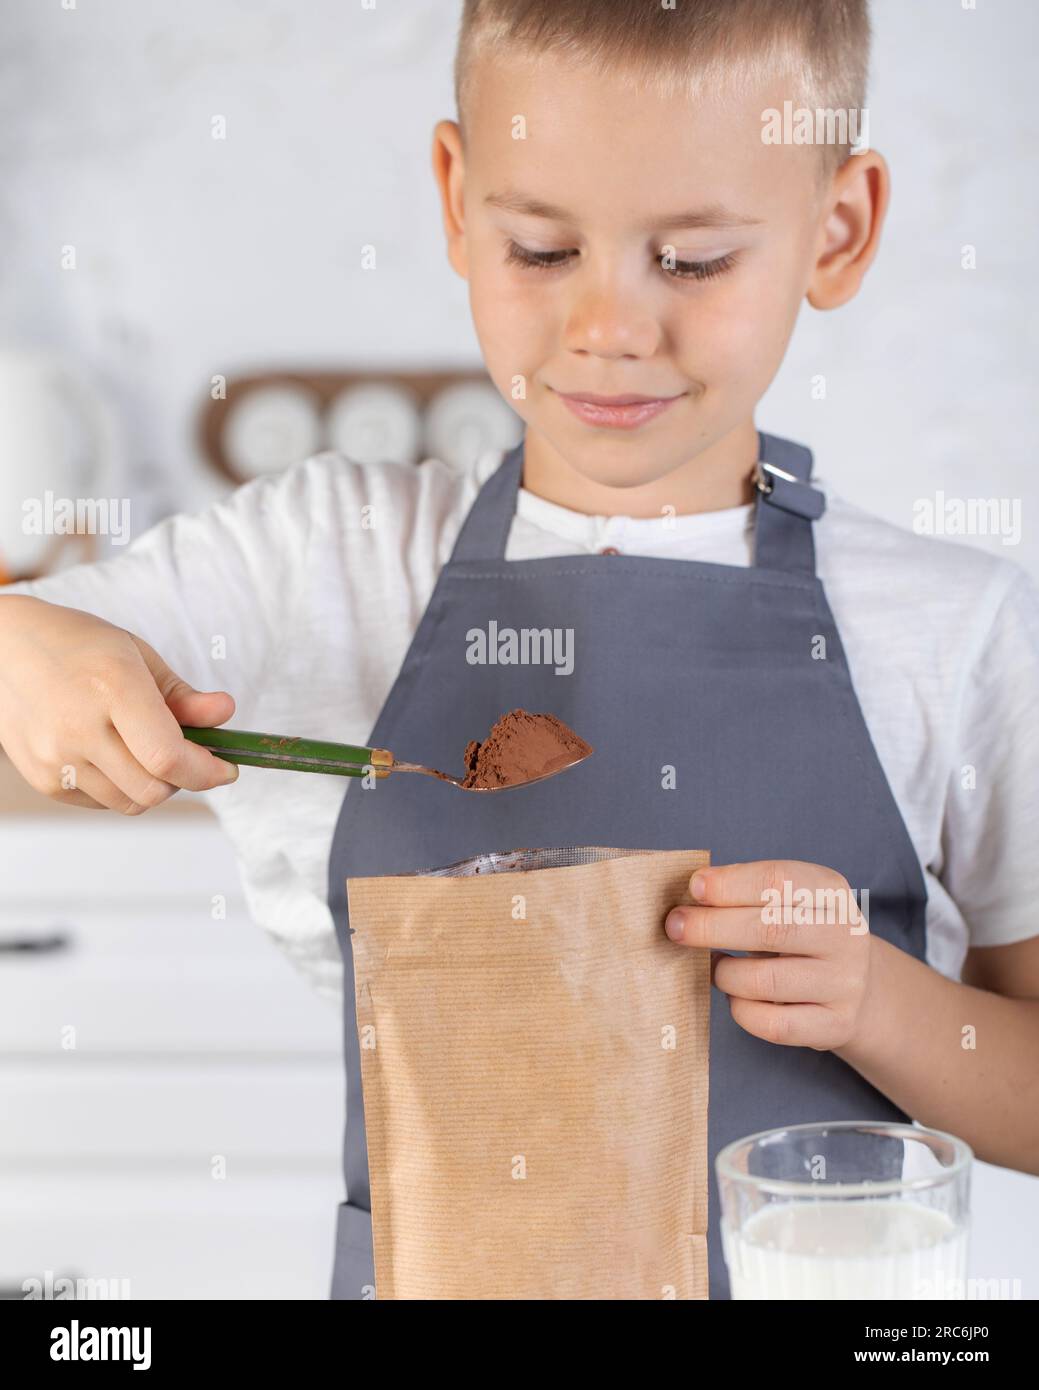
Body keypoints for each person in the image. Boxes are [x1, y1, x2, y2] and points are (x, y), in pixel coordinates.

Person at [2, 0, 1037, 1299]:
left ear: (839, 229)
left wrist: (883, 1006)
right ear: (454, 199)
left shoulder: (958, 629)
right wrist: (25, 648)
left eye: (698, 259)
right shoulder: (333, 554)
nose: (609, 323)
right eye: (543, 249)